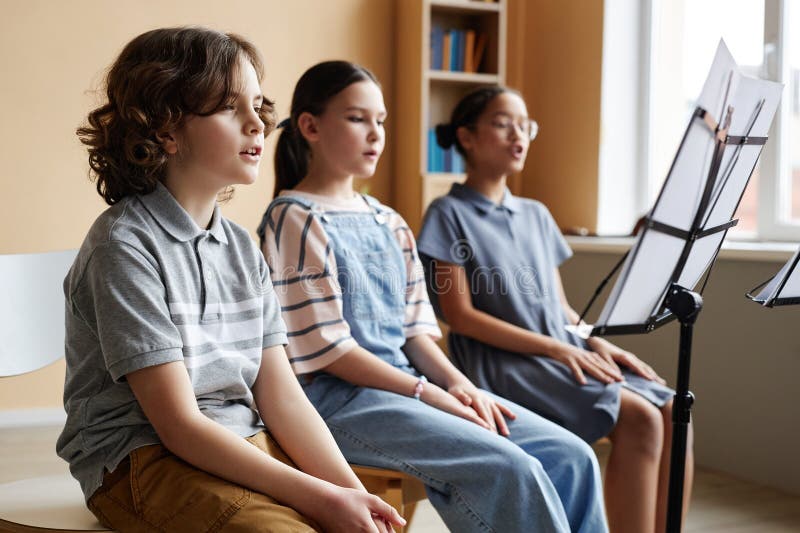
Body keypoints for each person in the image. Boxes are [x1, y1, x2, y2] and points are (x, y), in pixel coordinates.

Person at [56, 27, 405, 533]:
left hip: (240, 438)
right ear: (165, 130)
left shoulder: (242, 247)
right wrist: (323, 501)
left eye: (258, 106)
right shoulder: (124, 247)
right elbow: (177, 425)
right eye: (227, 108)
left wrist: (349, 493)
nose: (257, 124)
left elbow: (282, 395)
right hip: (141, 460)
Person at [258, 60, 609, 533]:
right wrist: (428, 393)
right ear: (310, 126)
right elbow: (331, 352)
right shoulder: (293, 218)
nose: (375, 134)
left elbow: (417, 334)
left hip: (407, 387)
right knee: (513, 470)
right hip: (341, 402)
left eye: (380, 121)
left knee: (572, 456)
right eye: (357, 118)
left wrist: (456, 384)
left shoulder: (390, 221)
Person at [416, 85, 694, 533]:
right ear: (467, 137)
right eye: (504, 123)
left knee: (673, 410)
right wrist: (559, 350)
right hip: (503, 366)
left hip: (557, 352)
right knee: (640, 416)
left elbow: (559, 305)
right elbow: (460, 316)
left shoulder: (537, 214)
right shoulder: (446, 214)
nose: (518, 135)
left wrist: (598, 343)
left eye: (525, 126)